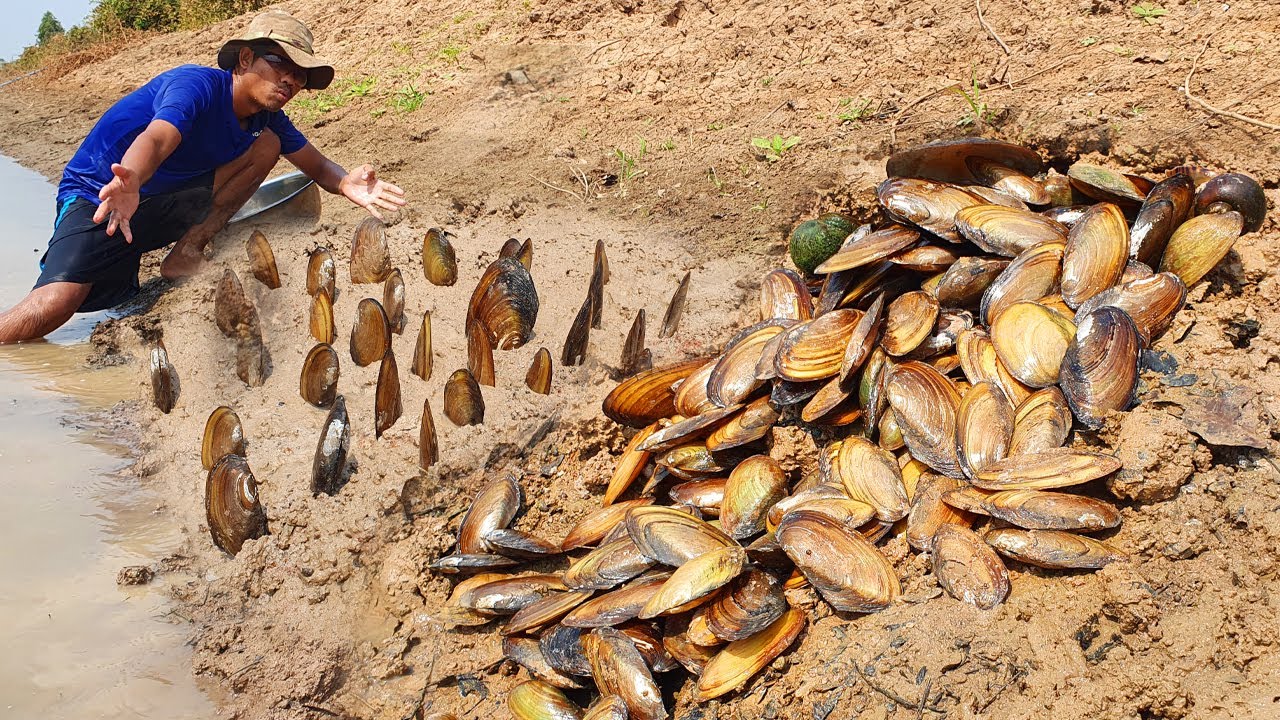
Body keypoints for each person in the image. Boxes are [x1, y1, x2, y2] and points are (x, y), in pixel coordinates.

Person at [0, 10, 406, 343]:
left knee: (266, 146)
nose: (291, 80)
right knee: (58, 302)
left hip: (159, 203)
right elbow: (158, 139)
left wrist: (346, 182)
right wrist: (132, 181)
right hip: (104, 196)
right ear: (245, 59)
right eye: (281, 63)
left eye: (301, 76)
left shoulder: (269, 120)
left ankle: (187, 252)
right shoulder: (195, 85)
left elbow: (317, 167)